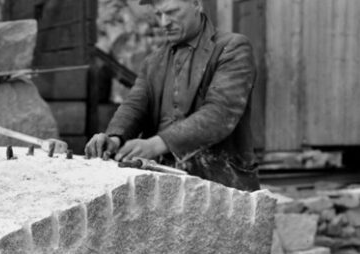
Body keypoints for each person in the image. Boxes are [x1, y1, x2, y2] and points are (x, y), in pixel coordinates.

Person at [85, 0, 259, 191]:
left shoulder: (233, 47)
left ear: (196, 4)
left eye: (172, 12)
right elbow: (134, 105)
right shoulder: (153, 61)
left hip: (221, 185)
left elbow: (220, 113)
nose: (164, 23)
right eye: (158, 14)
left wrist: (157, 144)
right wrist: (114, 137)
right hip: (164, 186)